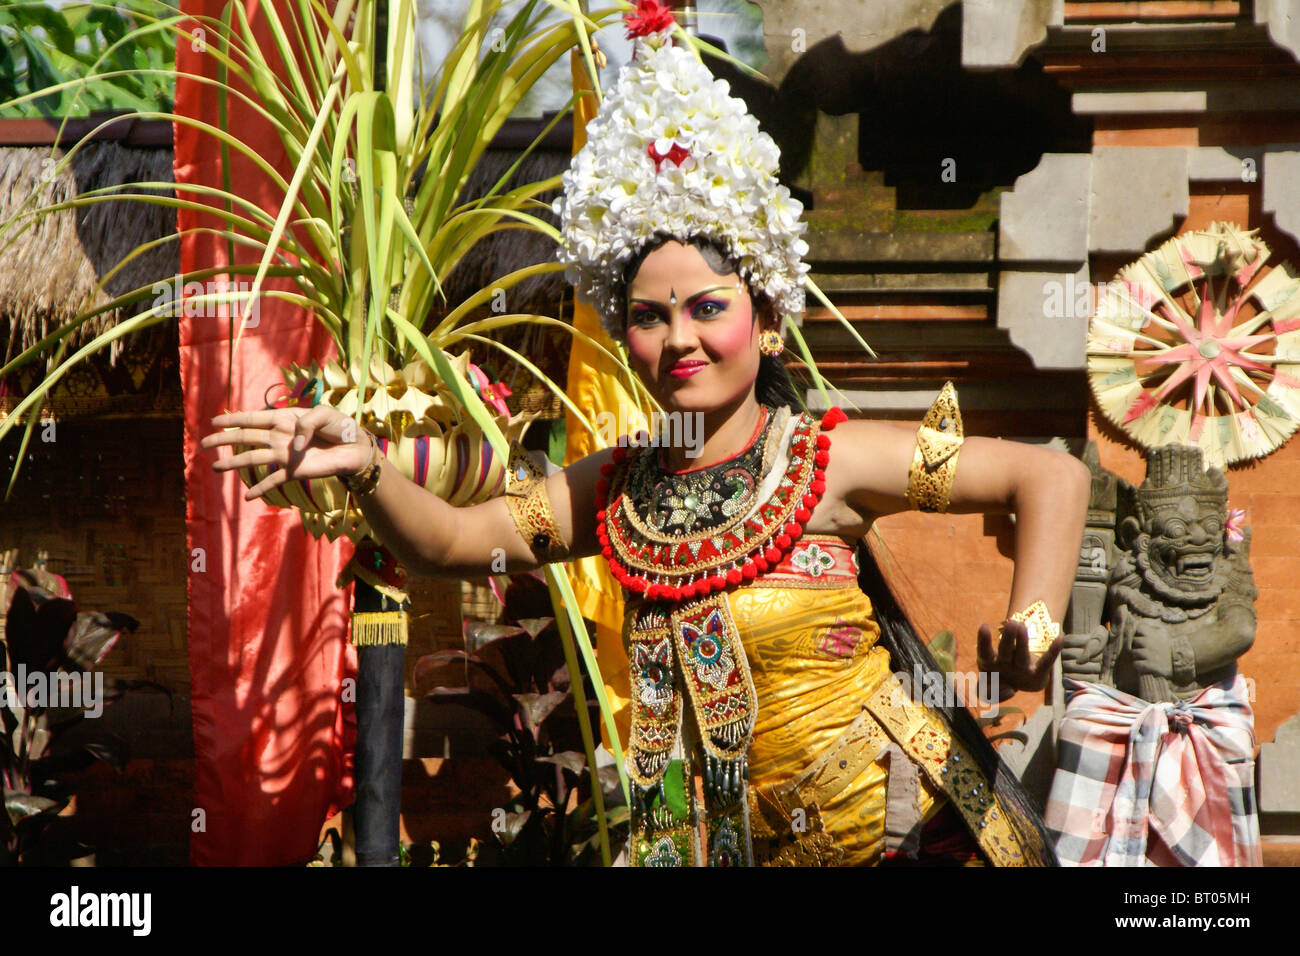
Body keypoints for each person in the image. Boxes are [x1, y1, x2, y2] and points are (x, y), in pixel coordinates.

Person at [200, 5, 1091, 866]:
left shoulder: (830, 461)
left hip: (907, 835)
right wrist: (363, 468)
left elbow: (1047, 479)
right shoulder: (613, 491)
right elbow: (460, 540)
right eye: (649, 317)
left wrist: (1036, 624)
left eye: (709, 309)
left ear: (769, 322)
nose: (680, 340)